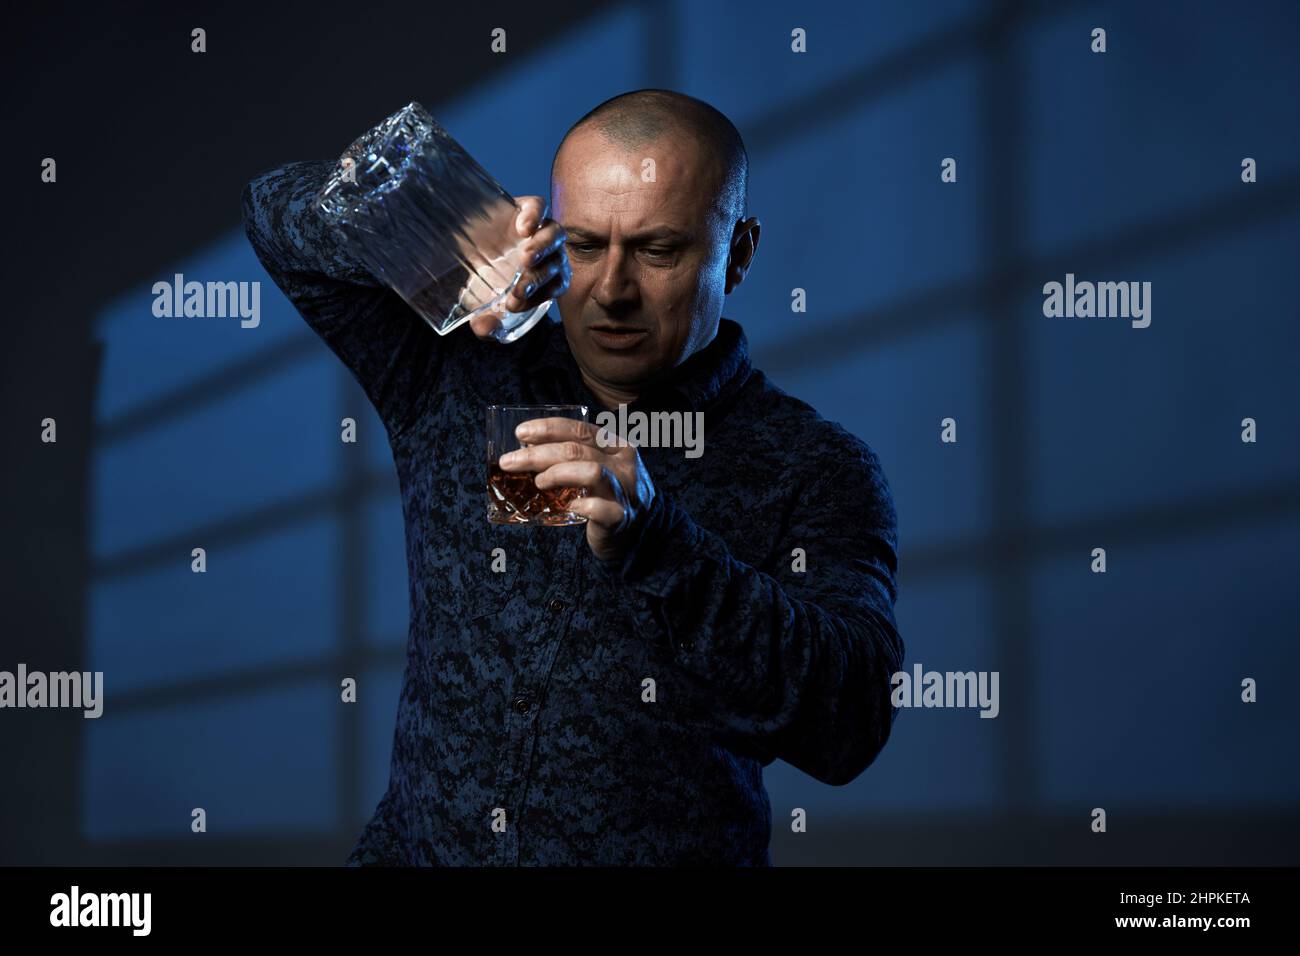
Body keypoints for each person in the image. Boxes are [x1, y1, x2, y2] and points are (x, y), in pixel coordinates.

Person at [241, 88, 904, 866]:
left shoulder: (814, 466)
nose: (612, 292)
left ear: (742, 251)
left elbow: (850, 726)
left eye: (658, 251)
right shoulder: (460, 373)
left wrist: (663, 549)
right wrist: (441, 246)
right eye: (586, 245)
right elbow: (272, 212)